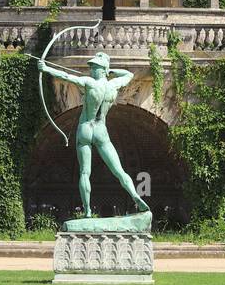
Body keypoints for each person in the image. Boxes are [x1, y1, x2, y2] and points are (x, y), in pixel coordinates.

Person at [38, 51, 149, 218]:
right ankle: (135, 196)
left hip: (85, 128)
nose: (91, 70)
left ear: (102, 69)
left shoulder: (89, 82)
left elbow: (66, 76)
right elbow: (129, 74)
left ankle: (88, 211)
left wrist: (45, 68)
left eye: (95, 68)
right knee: (119, 171)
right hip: (100, 130)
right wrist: (112, 72)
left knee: (84, 172)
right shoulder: (114, 85)